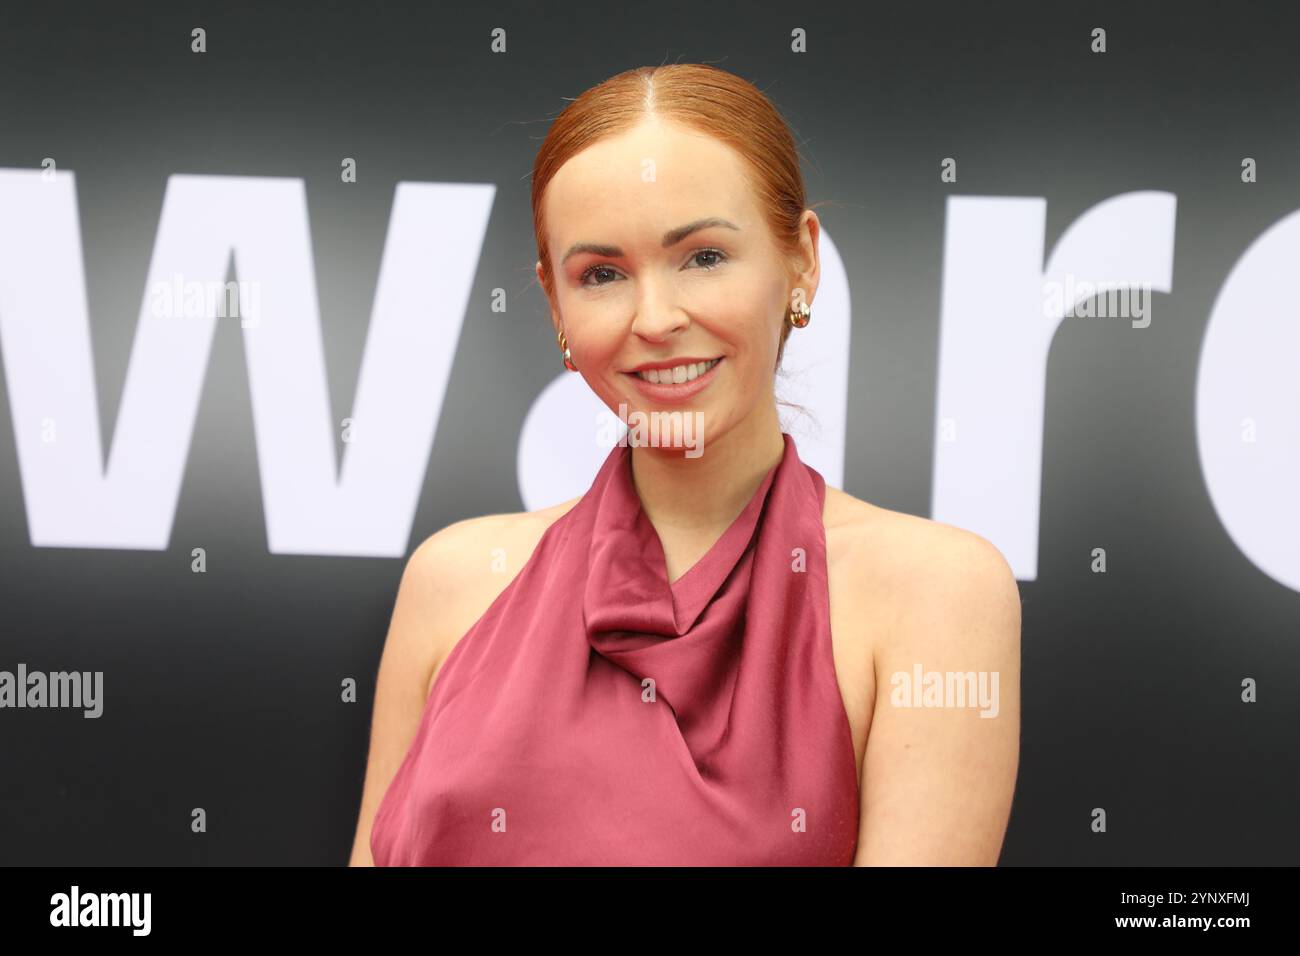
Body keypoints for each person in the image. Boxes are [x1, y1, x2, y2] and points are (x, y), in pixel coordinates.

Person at [350, 63, 1020, 866]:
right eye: (601, 275)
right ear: (554, 304)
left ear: (802, 260)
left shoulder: (937, 591)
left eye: (702, 257)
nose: (657, 319)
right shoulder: (451, 580)